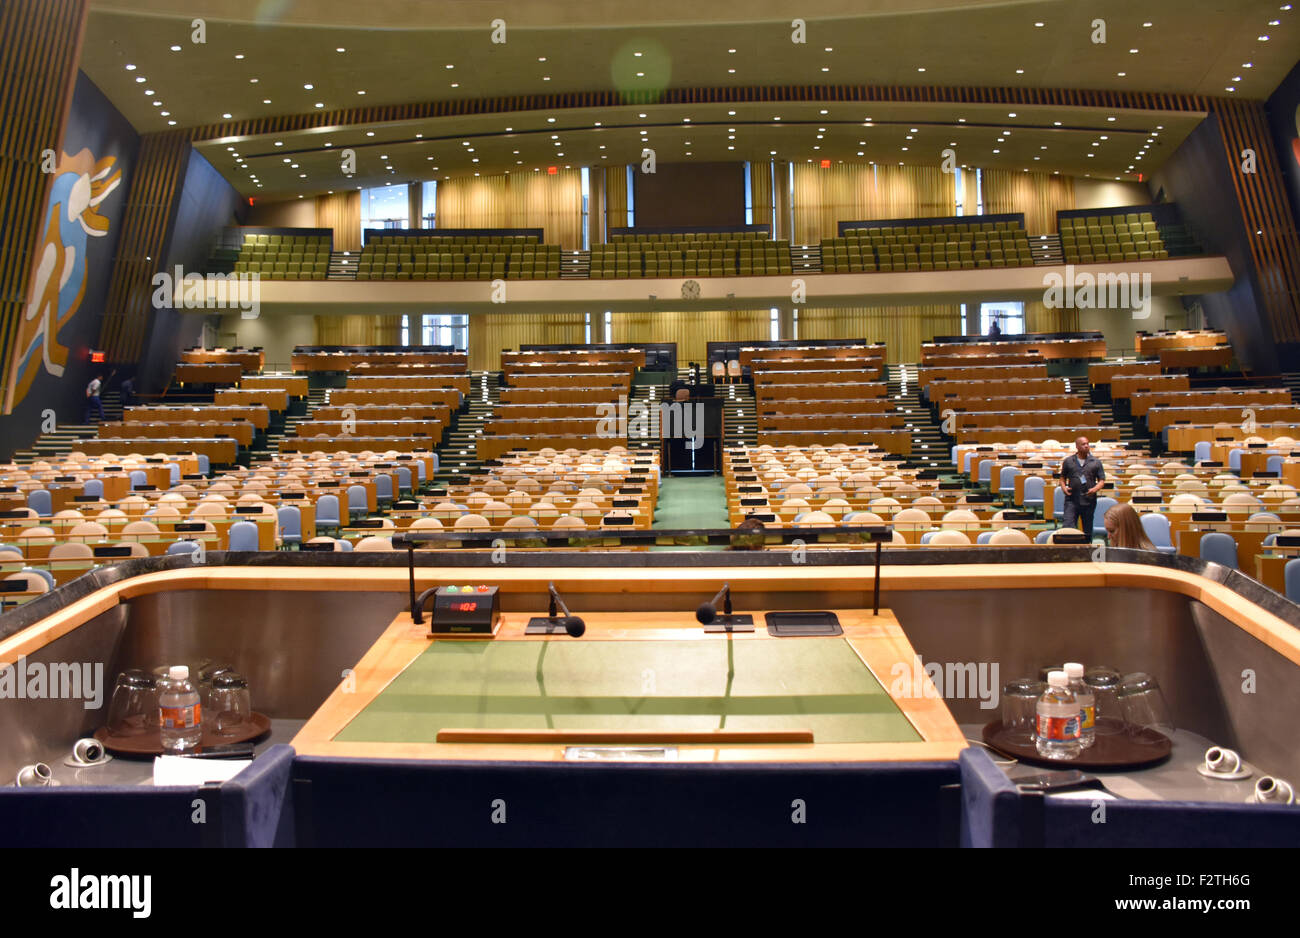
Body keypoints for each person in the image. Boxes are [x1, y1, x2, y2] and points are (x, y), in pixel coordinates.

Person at [1058, 436, 1105, 538]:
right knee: (1068, 527)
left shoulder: (1096, 462)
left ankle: (1088, 551)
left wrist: (1095, 489)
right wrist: (1064, 487)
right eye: (1083, 444)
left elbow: (1102, 480)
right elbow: (1062, 477)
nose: (1086, 446)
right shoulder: (1068, 461)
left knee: (1087, 530)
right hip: (1071, 499)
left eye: (1087, 443)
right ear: (1077, 446)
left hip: (1089, 500)